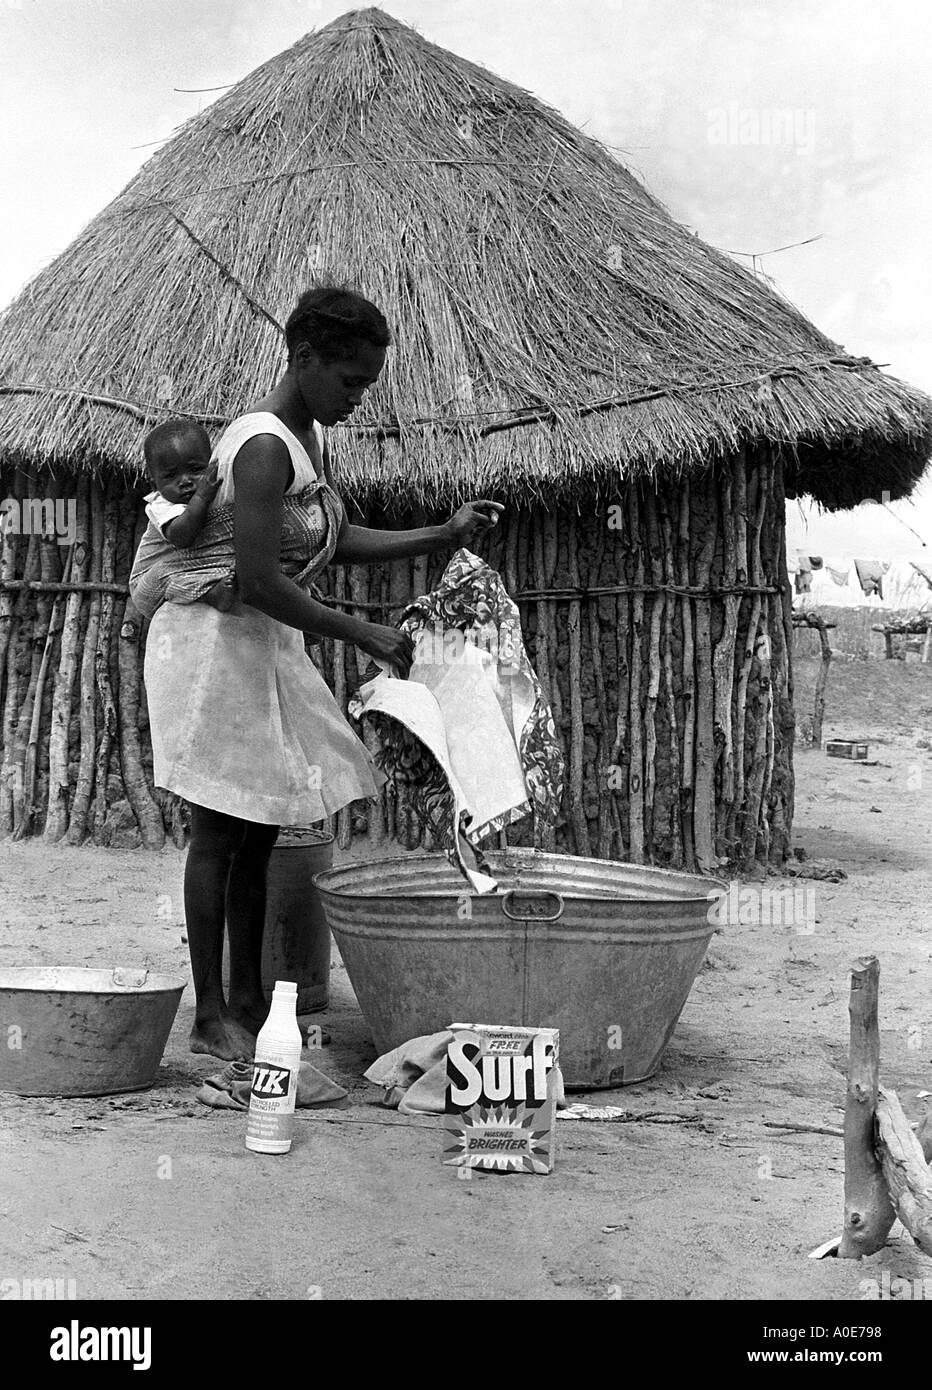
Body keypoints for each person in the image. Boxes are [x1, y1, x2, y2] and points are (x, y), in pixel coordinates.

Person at [141, 285, 503, 1060]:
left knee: (259, 827)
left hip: (255, 640)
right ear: (304, 358)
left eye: (366, 384)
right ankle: (209, 1017)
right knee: (218, 830)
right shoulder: (263, 447)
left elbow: (331, 538)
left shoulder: (305, 439)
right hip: (210, 643)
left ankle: (246, 1000)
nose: (357, 397)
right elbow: (261, 579)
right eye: (350, 380)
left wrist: (441, 533)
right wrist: (362, 631)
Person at [137, 420, 237, 612]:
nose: (185, 481)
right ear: (154, 483)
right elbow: (182, 537)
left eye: (196, 470)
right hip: (149, 583)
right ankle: (210, 595)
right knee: (164, 573)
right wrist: (201, 497)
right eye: (170, 476)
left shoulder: (218, 493)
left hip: (185, 570)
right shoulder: (161, 506)